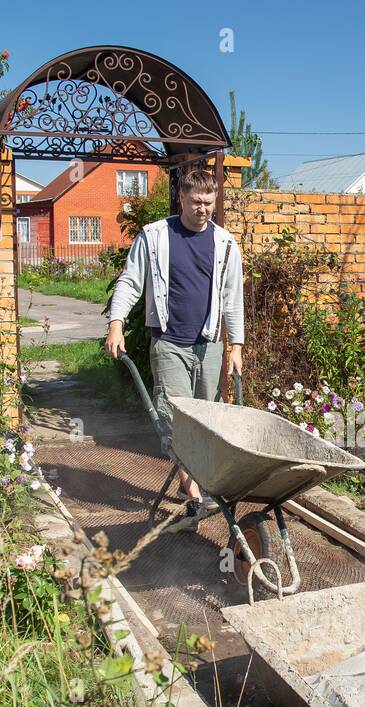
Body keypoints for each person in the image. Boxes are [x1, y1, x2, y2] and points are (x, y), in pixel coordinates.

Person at [104, 167, 245, 520]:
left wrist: (236, 346)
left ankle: (200, 481)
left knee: (208, 420)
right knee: (174, 418)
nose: (202, 209)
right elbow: (130, 283)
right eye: (196, 201)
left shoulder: (225, 244)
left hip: (210, 345)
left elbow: (232, 298)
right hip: (169, 343)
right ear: (181, 198)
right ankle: (194, 492)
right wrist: (116, 324)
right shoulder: (154, 237)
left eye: (209, 203)